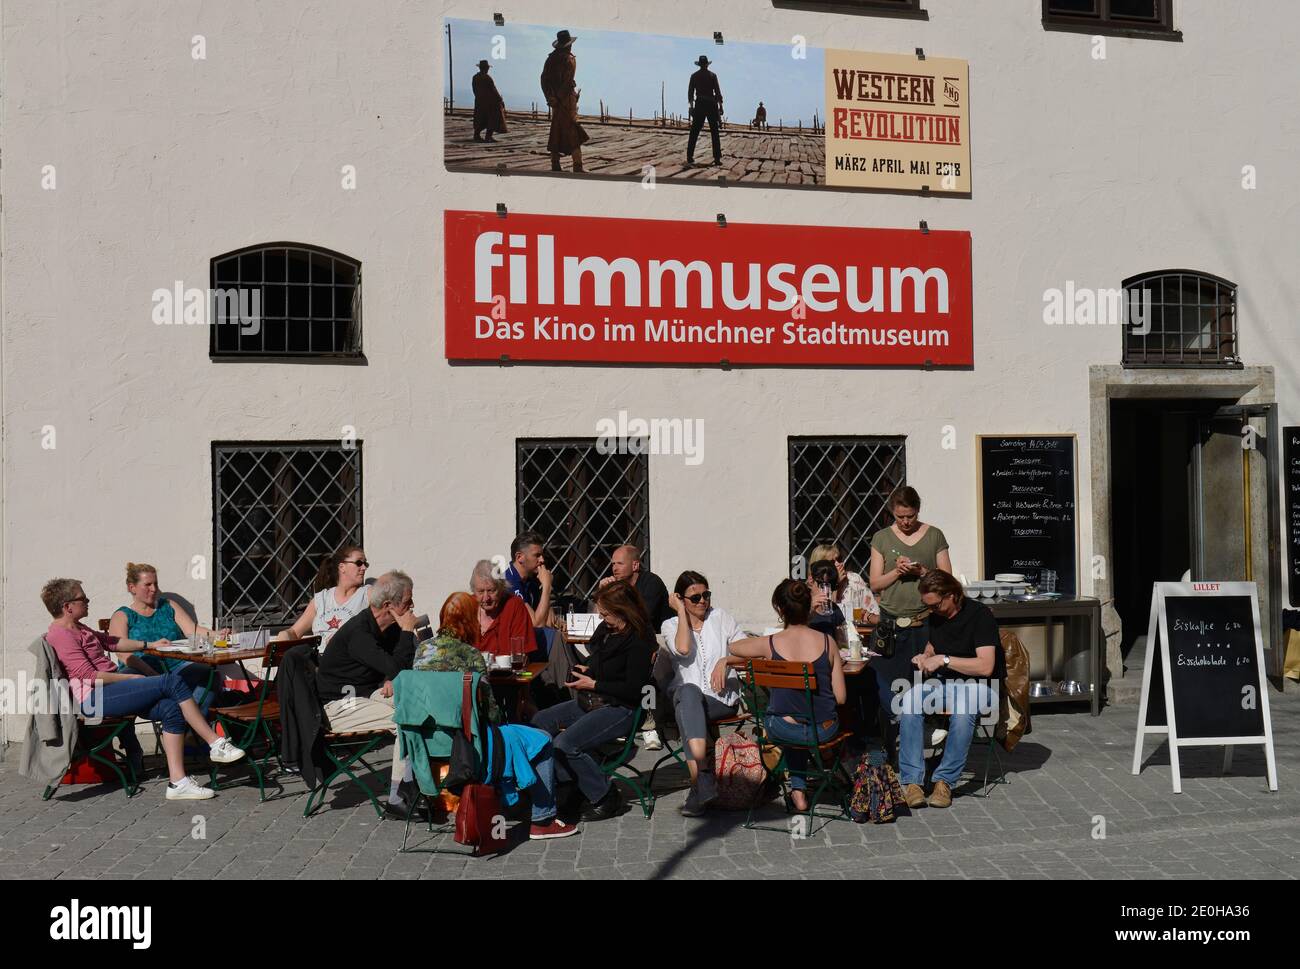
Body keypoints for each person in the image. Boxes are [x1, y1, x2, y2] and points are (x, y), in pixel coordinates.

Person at [41, 578, 246, 800]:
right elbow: (89, 676)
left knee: (171, 709)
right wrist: (131, 678)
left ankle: (178, 783)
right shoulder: (60, 635)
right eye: (83, 598)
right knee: (170, 681)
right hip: (94, 699)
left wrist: (149, 645)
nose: (88, 601)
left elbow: (112, 642)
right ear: (67, 607)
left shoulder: (78, 627)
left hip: (110, 689)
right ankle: (215, 742)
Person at [414, 592, 578, 840]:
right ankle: (542, 819)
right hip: (469, 744)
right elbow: (491, 712)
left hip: (428, 741)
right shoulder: (470, 654)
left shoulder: (422, 650)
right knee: (542, 739)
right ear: (470, 621)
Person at [530, 581, 655, 821]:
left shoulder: (639, 640)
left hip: (622, 707)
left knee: (565, 743)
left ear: (623, 611)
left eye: (606, 613)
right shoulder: (608, 631)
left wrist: (594, 683)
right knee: (540, 722)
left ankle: (605, 795)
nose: (601, 616)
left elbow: (634, 689)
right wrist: (586, 671)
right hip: (595, 700)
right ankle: (570, 786)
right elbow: (599, 662)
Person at [727, 580, 846, 813]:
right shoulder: (827, 642)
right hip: (823, 730)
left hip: (784, 729)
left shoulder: (770, 643)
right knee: (804, 718)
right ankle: (810, 784)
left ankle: (798, 792)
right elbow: (841, 698)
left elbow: (734, 647)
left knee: (788, 719)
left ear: (781, 610)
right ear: (808, 606)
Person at [898, 570, 1004, 809]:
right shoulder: (937, 616)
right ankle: (913, 781)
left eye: (936, 606)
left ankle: (944, 780)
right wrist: (925, 656)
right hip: (945, 683)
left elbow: (986, 666)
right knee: (910, 700)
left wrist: (944, 660)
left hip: (981, 685)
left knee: (963, 709)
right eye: (929, 607)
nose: (932, 611)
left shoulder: (980, 615)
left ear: (952, 595)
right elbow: (934, 644)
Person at [316, 570, 418, 814]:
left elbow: (399, 664)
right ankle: (397, 797)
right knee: (403, 720)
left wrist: (387, 677)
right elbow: (395, 666)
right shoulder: (359, 632)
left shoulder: (388, 628)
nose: (412, 606)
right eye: (407, 602)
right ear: (388, 606)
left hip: (367, 693)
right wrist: (406, 633)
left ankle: (422, 782)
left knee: (416, 707)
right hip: (338, 705)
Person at [868, 486, 953, 753]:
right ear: (892, 512)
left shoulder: (934, 536)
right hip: (890, 626)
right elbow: (875, 582)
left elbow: (947, 579)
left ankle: (924, 740)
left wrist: (922, 572)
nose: (905, 522)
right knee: (887, 688)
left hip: (925, 622)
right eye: (900, 517)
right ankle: (891, 746)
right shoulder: (881, 538)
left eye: (910, 516)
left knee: (923, 685)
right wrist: (897, 572)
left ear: (918, 511)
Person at [661, 571, 744, 816]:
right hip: (686, 696)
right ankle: (703, 776)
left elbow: (747, 649)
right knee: (688, 693)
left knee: (685, 710)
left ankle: (701, 782)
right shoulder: (671, 625)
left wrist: (726, 660)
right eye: (694, 598)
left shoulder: (722, 618)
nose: (702, 601)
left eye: (706, 595)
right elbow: (684, 649)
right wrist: (680, 613)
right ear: (680, 599)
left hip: (720, 699)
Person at [107, 562, 226, 708]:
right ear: (132, 588)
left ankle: (189, 723)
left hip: (175, 665)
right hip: (140, 668)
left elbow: (192, 630)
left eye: (155, 584)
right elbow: (124, 655)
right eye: (148, 585)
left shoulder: (168, 606)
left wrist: (218, 634)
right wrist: (153, 674)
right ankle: (184, 721)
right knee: (136, 680)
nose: (154, 589)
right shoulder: (123, 615)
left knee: (211, 675)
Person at [276, 545, 371, 650]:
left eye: (365, 563)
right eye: (359, 563)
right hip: (318, 659)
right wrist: (285, 635)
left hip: (347, 659)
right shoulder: (321, 599)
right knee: (295, 655)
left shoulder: (367, 594)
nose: (364, 568)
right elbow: (294, 632)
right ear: (342, 567)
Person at [539, 29, 587, 173]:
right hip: (566, 102)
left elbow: (543, 80)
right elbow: (567, 83)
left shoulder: (550, 59)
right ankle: (577, 166)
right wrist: (559, 98)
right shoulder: (569, 59)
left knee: (556, 130)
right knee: (573, 131)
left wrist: (550, 98)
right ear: (569, 45)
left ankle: (555, 164)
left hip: (555, 102)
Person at [472, 559, 535, 660]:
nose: (486, 598)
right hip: (470, 674)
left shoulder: (514, 605)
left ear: (501, 588)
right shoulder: (466, 606)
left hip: (504, 674)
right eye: (480, 592)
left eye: (491, 591)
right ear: (474, 591)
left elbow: (520, 656)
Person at [599, 544, 671, 631]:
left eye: (620, 563)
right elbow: (601, 617)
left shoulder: (651, 582)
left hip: (657, 637)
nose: (615, 568)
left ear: (635, 565)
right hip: (628, 636)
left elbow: (642, 617)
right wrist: (602, 593)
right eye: (613, 564)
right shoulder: (616, 585)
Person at [808, 543, 880, 626]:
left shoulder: (854, 579)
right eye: (832, 562)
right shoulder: (814, 585)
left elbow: (873, 612)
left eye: (839, 559)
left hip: (857, 630)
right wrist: (836, 583)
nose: (839, 564)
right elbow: (828, 616)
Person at [505, 530, 553, 627]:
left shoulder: (530, 580)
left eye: (542, 555)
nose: (542, 560)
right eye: (537, 555)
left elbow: (549, 621)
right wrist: (547, 587)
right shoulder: (509, 582)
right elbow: (536, 624)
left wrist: (560, 622)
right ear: (519, 557)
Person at [687, 54, 723, 167]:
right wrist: (721, 106)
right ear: (707, 64)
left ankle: (689, 156)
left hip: (700, 104)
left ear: (699, 64)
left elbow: (690, 94)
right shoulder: (713, 75)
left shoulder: (694, 76)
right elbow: (717, 93)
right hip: (711, 104)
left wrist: (691, 107)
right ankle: (717, 158)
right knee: (714, 132)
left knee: (694, 131)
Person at [471, 59, 507, 142]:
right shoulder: (487, 78)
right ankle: (488, 136)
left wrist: (479, 97)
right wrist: (500, 99)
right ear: (486, 68)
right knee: (493, 117)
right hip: (490, 103)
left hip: (479, 101)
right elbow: (493, 90)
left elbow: (475, 90)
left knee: (480, 118)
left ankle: (476, 135)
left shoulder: (475, 77)